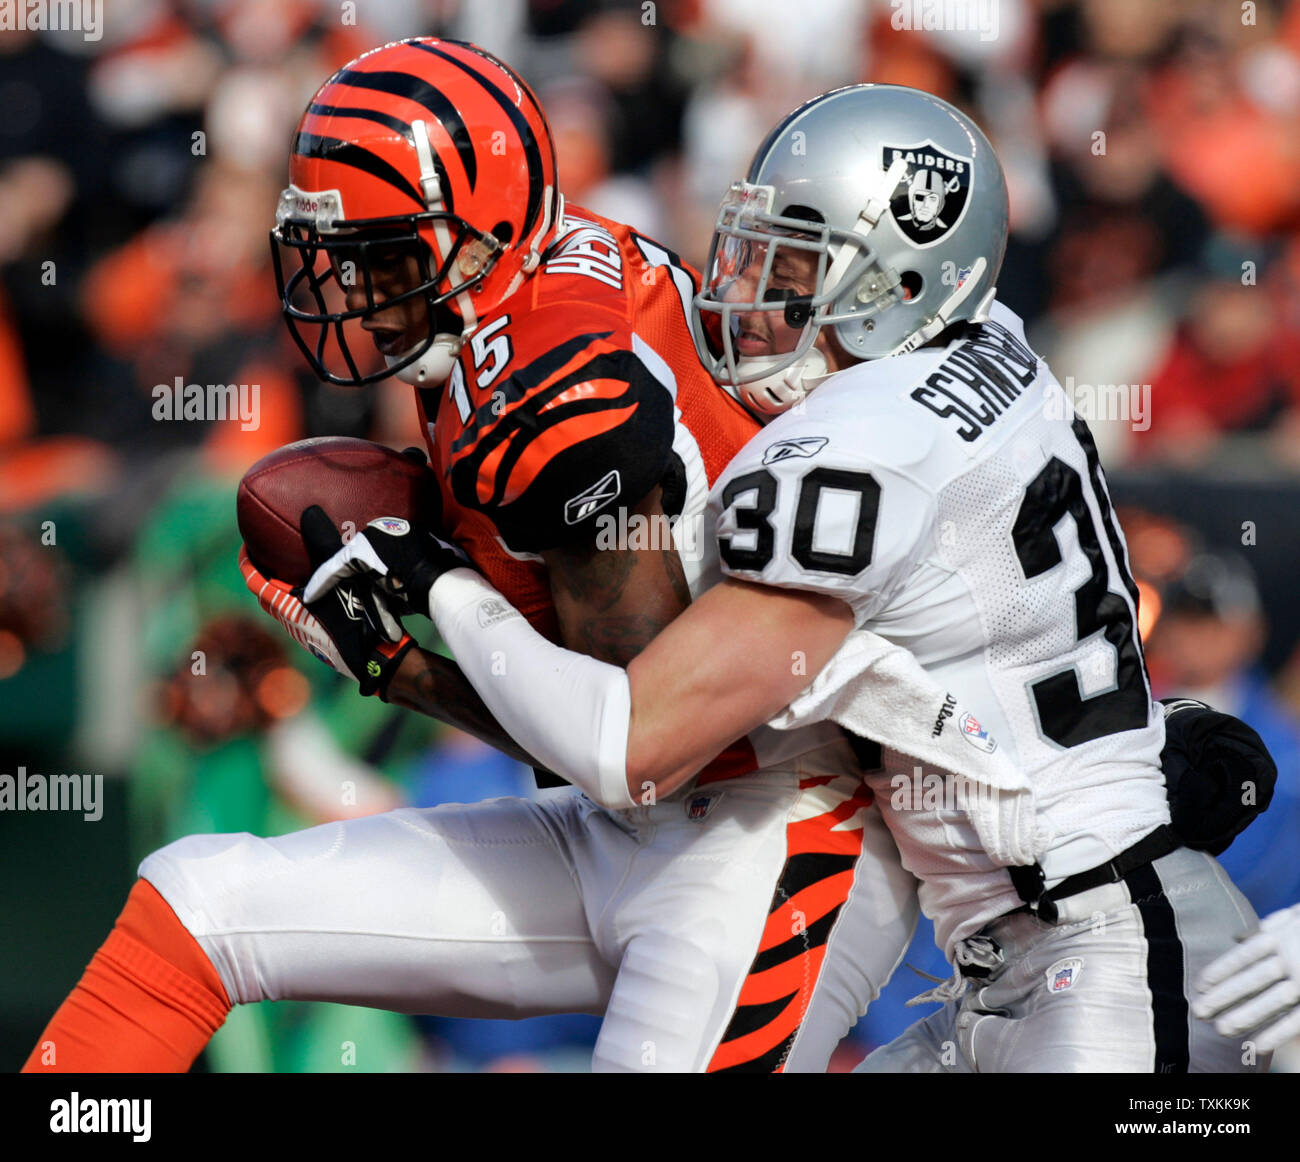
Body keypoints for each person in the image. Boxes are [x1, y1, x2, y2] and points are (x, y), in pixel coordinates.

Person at [310, 83, 1268, 1072]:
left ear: (899, 287)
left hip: (1107, 963)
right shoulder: (997, 345)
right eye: (751, 255)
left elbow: (626, 747)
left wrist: (441, 589)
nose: (748, 297)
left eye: (795, 268)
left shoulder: (854, 449)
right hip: (1041, 951)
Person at [24, 39, 918, 1074]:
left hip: (776, 834)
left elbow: (631, 749)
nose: (351, 289)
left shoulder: (551, 378)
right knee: (194, 904)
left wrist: (408, 644)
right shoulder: (512, 305)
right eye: (337, 256)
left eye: (382, 257)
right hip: (646, 819)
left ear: (480, 235)